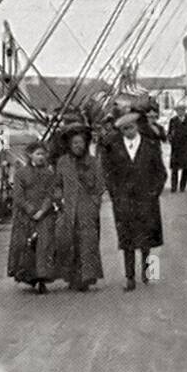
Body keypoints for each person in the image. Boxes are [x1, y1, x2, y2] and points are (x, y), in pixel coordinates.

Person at [101, 112, 166, 291]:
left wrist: (154, 192)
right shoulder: (114, 148)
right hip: (124, 201)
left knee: (149, 239)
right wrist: (115, 194)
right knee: (127, 240)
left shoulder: (151, 146)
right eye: (124, 129)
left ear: (137, 126)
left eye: (131, 127)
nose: (128, 131)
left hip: (147, 200)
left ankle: (149, 273)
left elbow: (161, 172)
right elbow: (108, 173)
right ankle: (129, 277)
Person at [55, 125, 105, 292]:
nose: (78, 146)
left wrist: (95, 202)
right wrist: (59, 199)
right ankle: (71, 277)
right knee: (69, 244)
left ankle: (86, 277)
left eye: (81, 142)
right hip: (68, 209)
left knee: (87, 243)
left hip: (87, 210)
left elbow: (100, 185)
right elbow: (57, 184)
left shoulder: (93, 162)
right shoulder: (62, 162)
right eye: (74, 143)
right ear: (69, 145)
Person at [8, 141, 59, 293]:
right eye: (38, 154)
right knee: (27, 247)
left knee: (44, 247)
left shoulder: (50, 173)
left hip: (45, 215)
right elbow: (18, 196)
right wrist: (31, 210)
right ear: (30, 155)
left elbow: (51, 194)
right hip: (25, 216)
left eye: (43, 154)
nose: (41, 157)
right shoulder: (21, 174)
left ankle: (43, 279)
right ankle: (31, 277)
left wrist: (42, 210)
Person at [166, 103, 187, 193]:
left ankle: (182, 187)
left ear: (184, 111)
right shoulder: (173, 120)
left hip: (186, 147)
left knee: (185, 168)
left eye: (182, 110)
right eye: (178, 110)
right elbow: (169, 133)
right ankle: (173, 187)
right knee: (174, 169)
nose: (180, 112)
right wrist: (171, 140)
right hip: (176, 147)